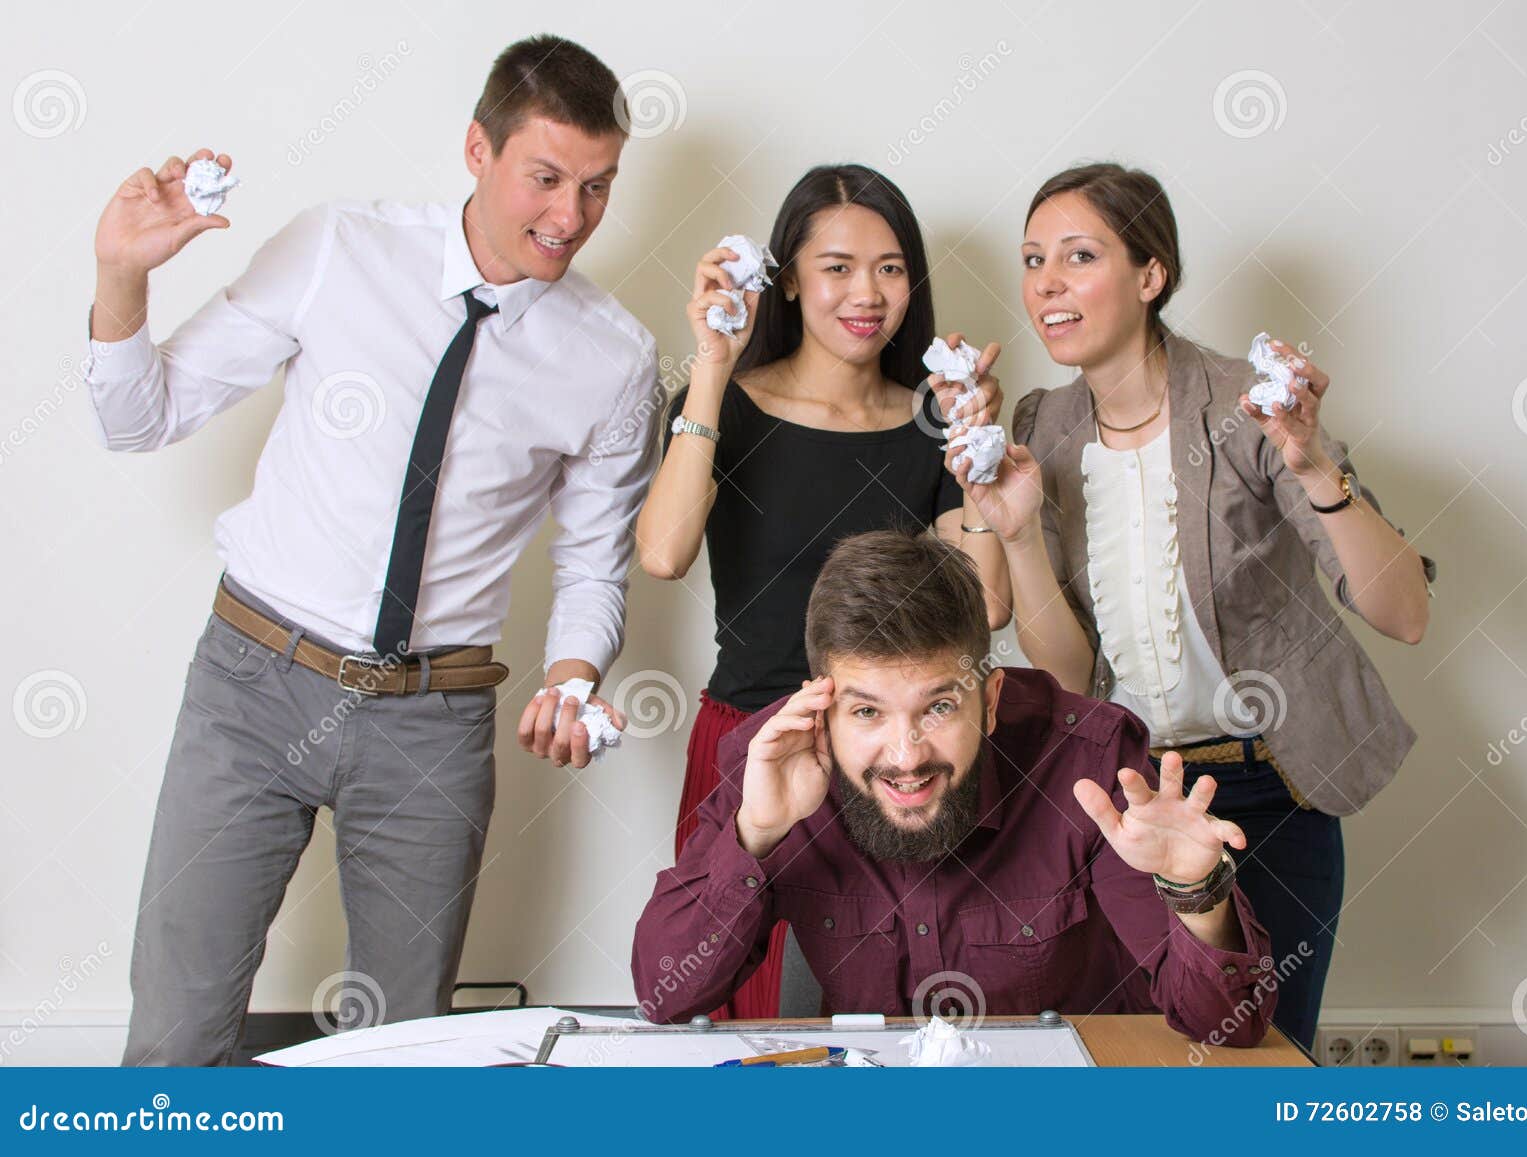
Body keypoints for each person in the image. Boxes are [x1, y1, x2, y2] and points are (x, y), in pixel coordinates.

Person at [87, 35, 652, 1065]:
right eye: (546, 177)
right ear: (477, 149)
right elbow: (141, 417)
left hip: (432, 719)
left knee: (404, 1051)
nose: (570, 218)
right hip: (252, 683)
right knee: (175, 1028)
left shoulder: (613, 356)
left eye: (599, 186)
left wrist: (573, 676)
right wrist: (122, 275)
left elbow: (592, 562)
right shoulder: (338, 247)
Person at [949, 162, 1436, 1051]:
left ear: (1150, 274)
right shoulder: (1039, 424)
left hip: (1266, 793)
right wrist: (1015, 533)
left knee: (1257, 1056)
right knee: (1134, 1054)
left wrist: (1313, 460)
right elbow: (1067, 675)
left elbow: (1404, 612)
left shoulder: (1249, 411)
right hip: (1127, 792)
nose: (1046, 283)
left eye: (1079, 255)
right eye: (1032, 259)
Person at [631, 528, 1276, 1046]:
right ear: (822, 707)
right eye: (866, 712)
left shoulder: (1092, 763)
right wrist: (756, 835)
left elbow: (1233, 1026)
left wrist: (1199, 893)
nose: (905, 756)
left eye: (938, 707)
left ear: (989, 701)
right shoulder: (772, 761)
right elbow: (665, 995)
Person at [635, 164, 1010, 1019]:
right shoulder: (729, 401)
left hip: (882, 751)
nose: (866, 292)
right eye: (837, 266)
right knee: (728, 990)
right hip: (749, 742)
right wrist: (710, 365)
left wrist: (976, 453)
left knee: (863, 1002)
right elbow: (661, 553)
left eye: (889, 266)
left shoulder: (931, 417)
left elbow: (986, 608)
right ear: (790, 281)